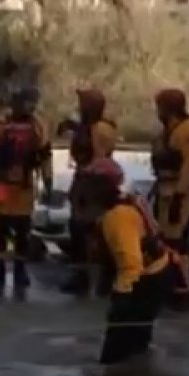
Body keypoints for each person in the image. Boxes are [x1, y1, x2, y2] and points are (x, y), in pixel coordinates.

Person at [85, 157, 174, 364]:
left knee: (113, 355)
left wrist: (121, 296)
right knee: (137, 349)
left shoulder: (118, 216)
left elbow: (131, 263)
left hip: (144, 282)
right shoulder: (129, 201)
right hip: (157, 273)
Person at [0, 85, 53, 292]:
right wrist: (48, 181)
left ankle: (1, 269)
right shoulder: (37, 127)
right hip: (22, 186)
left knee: (3, 229)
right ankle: (18, 271)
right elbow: (45, 157)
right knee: (21, 230)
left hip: (4, 185)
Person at [60, 88, 120, 295]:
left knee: (99, 230)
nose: (80, 107)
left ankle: (107, 277)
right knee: (78, 230)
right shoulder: (88, 127)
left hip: (97, 182)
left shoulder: (102, 128)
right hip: (84, 180)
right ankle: (81, 276)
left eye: (83, 104)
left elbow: (100, 157)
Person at [150, 88, 189, 305]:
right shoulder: (168, 131)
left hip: (180, 194)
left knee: (178, 242)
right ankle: (169, 284)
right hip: (164, 192)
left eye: (160, 107)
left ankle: (181, 289)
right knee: (165, 241)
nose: (157, 112)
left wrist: (179, 196)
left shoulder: (188, 130)